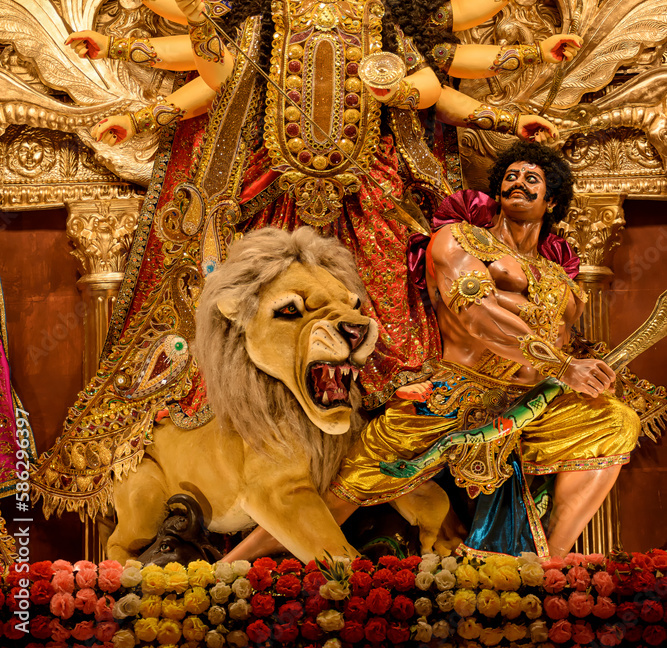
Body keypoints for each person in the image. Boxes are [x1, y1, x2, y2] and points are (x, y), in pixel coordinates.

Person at [65, 0, 578, 407]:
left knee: (393, 310)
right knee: (254, 304)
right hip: (271, 181)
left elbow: (439, 67)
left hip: (372, 185)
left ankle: (400, 413)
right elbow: (216, 67)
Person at [226, 141, 640, 560]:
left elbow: (563, 340)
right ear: (496, 193)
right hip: (456, 395)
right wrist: (565, 366)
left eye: (532, 178)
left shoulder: (558, 276)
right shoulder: (461, 241)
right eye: (510, 176)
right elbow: (479, 316)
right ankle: (229, 566)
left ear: (552, 200)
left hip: (536, 401)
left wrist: (588, 373)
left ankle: (550, 559)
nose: (518, 182)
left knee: (615, 421)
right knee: (350, 486)